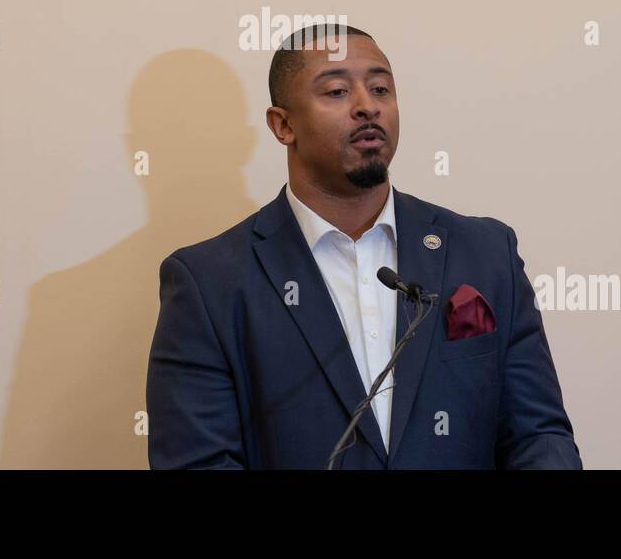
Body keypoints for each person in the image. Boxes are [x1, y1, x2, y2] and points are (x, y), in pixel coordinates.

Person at [146, 24, 581, 468]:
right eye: (336, 91)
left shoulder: (486, 254)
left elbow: (538, 436)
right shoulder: (209, 283)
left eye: (380, 88)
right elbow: (198, 462)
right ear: (283, 125)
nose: (366, 106)